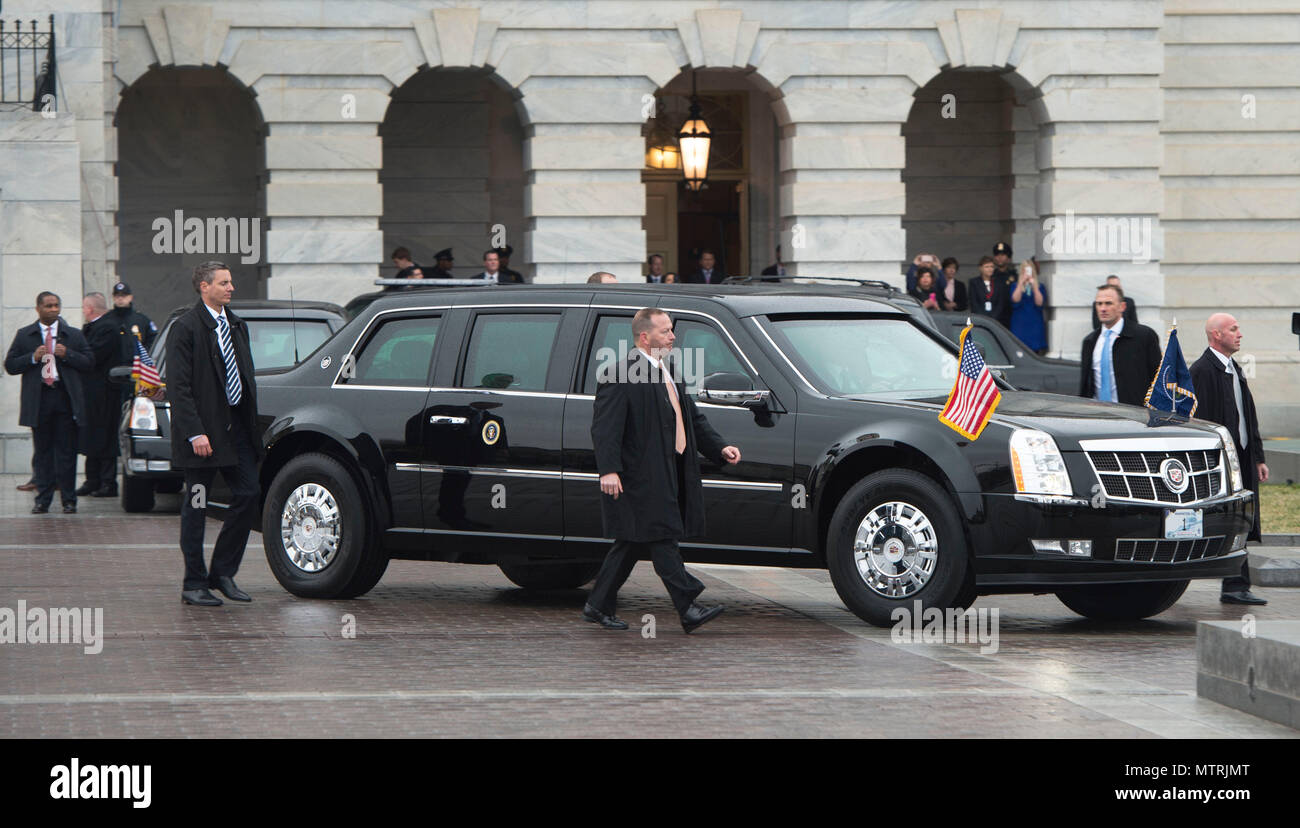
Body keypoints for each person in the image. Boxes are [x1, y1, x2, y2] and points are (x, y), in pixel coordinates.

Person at [583, 307, 741, 633]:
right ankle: (688, 606)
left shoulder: (667, 369)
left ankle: (598, 604)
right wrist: (609, 470)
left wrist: (718, 447)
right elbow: (605, 429)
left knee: (630, 542)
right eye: (665, 331)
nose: (672, 336)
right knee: (662, 536)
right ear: (644, 337)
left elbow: (691, 417)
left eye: (671, 330)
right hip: (639, 476)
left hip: (669, 469)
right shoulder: (619, 373)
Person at [168, 262, 262, 607]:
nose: (231, 288)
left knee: (249, 493)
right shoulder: (187, 328)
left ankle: (222, 573)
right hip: (202, 437)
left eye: (231, 282)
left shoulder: (236, 324)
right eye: (224, 283)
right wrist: (195, 432)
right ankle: (194, 582)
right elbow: (178, 388)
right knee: (196, 506)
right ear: (204, 287)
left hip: (236, 431)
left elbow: (245, 378)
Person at [1190, 314, 1269, 606]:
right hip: (1221, 462)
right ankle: (1234, 583)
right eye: (1233, 329)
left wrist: (1257, 456)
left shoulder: (1233, 367)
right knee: (1229, 519)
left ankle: (1237, 584)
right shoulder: (1202, 371)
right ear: (1216, 335)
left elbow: (1248, 414)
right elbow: (1200, 421)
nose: (1240, 334)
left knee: (1242, 518)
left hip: (1243, 458)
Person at [4, 292, 93, 514]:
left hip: (64, 399)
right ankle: (42, 499)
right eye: (48, 306)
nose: (53, 309)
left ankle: (69, 499)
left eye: (56, 305)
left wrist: (68, 354)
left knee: (66, 452)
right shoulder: (26, 335)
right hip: (39, 400)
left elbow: (89, 362)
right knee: (43, 452)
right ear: (38, 309)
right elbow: (10, 365)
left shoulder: (72, 335)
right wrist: (32, 358)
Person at [1078, 283, 1160, 405]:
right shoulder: (1090, 341)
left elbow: (1159, 377)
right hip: (1098, 416)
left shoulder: (1144, 336)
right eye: (1099, 304)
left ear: (1122, 306)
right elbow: (1086, 386)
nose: (1103, 308)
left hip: (1135, 415)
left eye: (1108, 303)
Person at [78, 292, 120, 497]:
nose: (83, 311)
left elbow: (92, 356)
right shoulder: (92, 328)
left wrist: (69, 354)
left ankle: (107, 482)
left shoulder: (108, 328)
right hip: (91, 394)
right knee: (91, 436)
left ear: (91, 309)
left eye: (84, 307)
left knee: (104, 437)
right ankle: (92, 480)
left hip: (105, 393)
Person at [1009, 259, 1049, 354]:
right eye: (1025, 270)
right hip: (1019, 324)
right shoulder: (1015, 286)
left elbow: (1039, 302)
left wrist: (1034, 286)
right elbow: (1015, 299)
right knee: (1019, 349)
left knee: (1035, 351)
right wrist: (1021, 283)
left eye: (1029, 270)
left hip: (1034, 323)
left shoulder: (1040, 287)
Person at [968, 256, 1010, 327]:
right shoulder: (974, 283)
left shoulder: (998, 283)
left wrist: (992, 318)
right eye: (987, 267)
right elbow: (974, 303)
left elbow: (1000, 304)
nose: (990, 269)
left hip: (996, 320)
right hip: (979, 320)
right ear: (980, 268)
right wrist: (984, 319)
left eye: (992, 267)